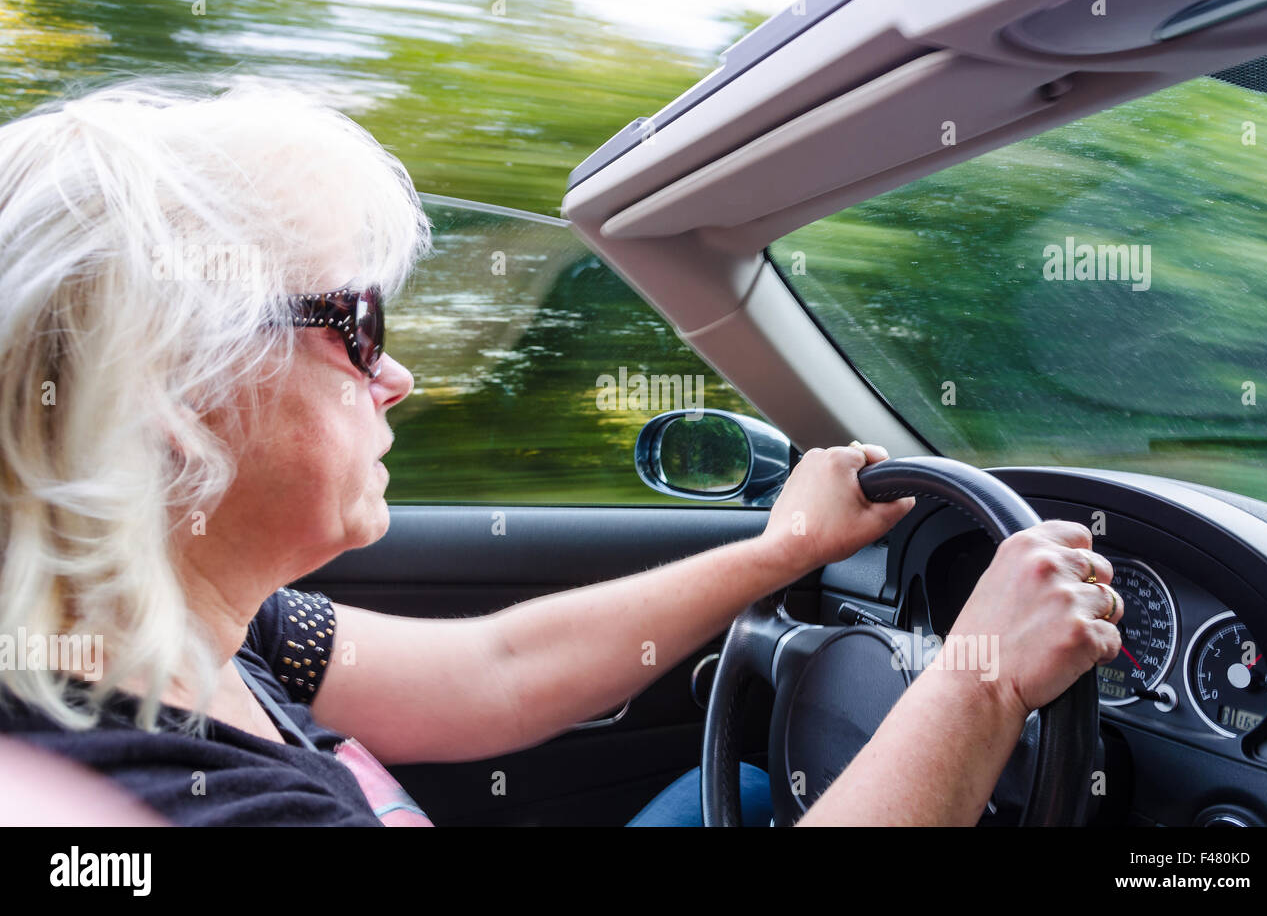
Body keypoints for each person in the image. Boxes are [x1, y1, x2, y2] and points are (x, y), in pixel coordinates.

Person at [0, 77, 1123, 826]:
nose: (397, 376)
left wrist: (782, 546)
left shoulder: (171, 627)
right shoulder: (199, 806)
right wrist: (980, 687)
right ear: (172, 389)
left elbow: (492, 674)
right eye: (357, 325)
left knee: (726, 785)